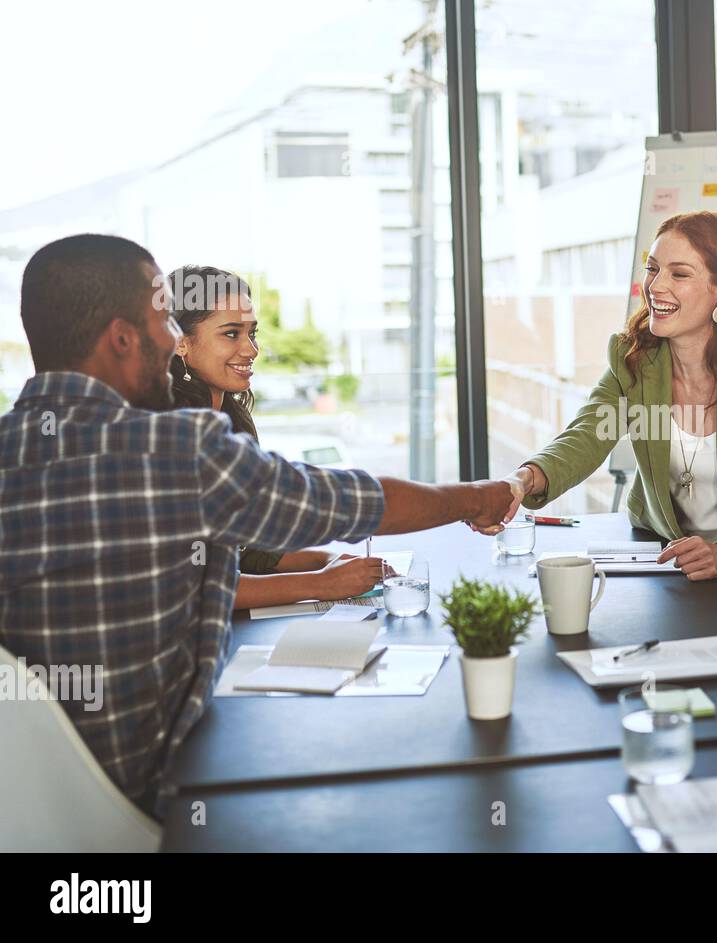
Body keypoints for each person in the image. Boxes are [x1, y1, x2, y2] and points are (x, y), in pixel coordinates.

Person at [0, 234, 517, 814]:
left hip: (30, 809)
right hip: (152, 794)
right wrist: (477, 496)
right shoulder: (169, 447)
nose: (171, 341)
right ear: (123, 339)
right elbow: (350, 503)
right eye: (163, 325)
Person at [497, 210, 717, 627]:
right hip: (674, 580)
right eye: (653, 269)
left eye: (679, 274)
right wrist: (523, 479)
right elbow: (587, 434)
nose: (655, 286)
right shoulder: (635, 361)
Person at [166, 264, 387, 608]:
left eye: (252, 333)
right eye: (231, 334)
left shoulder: (232, 417)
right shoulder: (173, 434)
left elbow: (245, 550)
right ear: (181, 343)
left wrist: (324, 561)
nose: (251, 349)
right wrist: (321, 583)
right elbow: (193, 584)